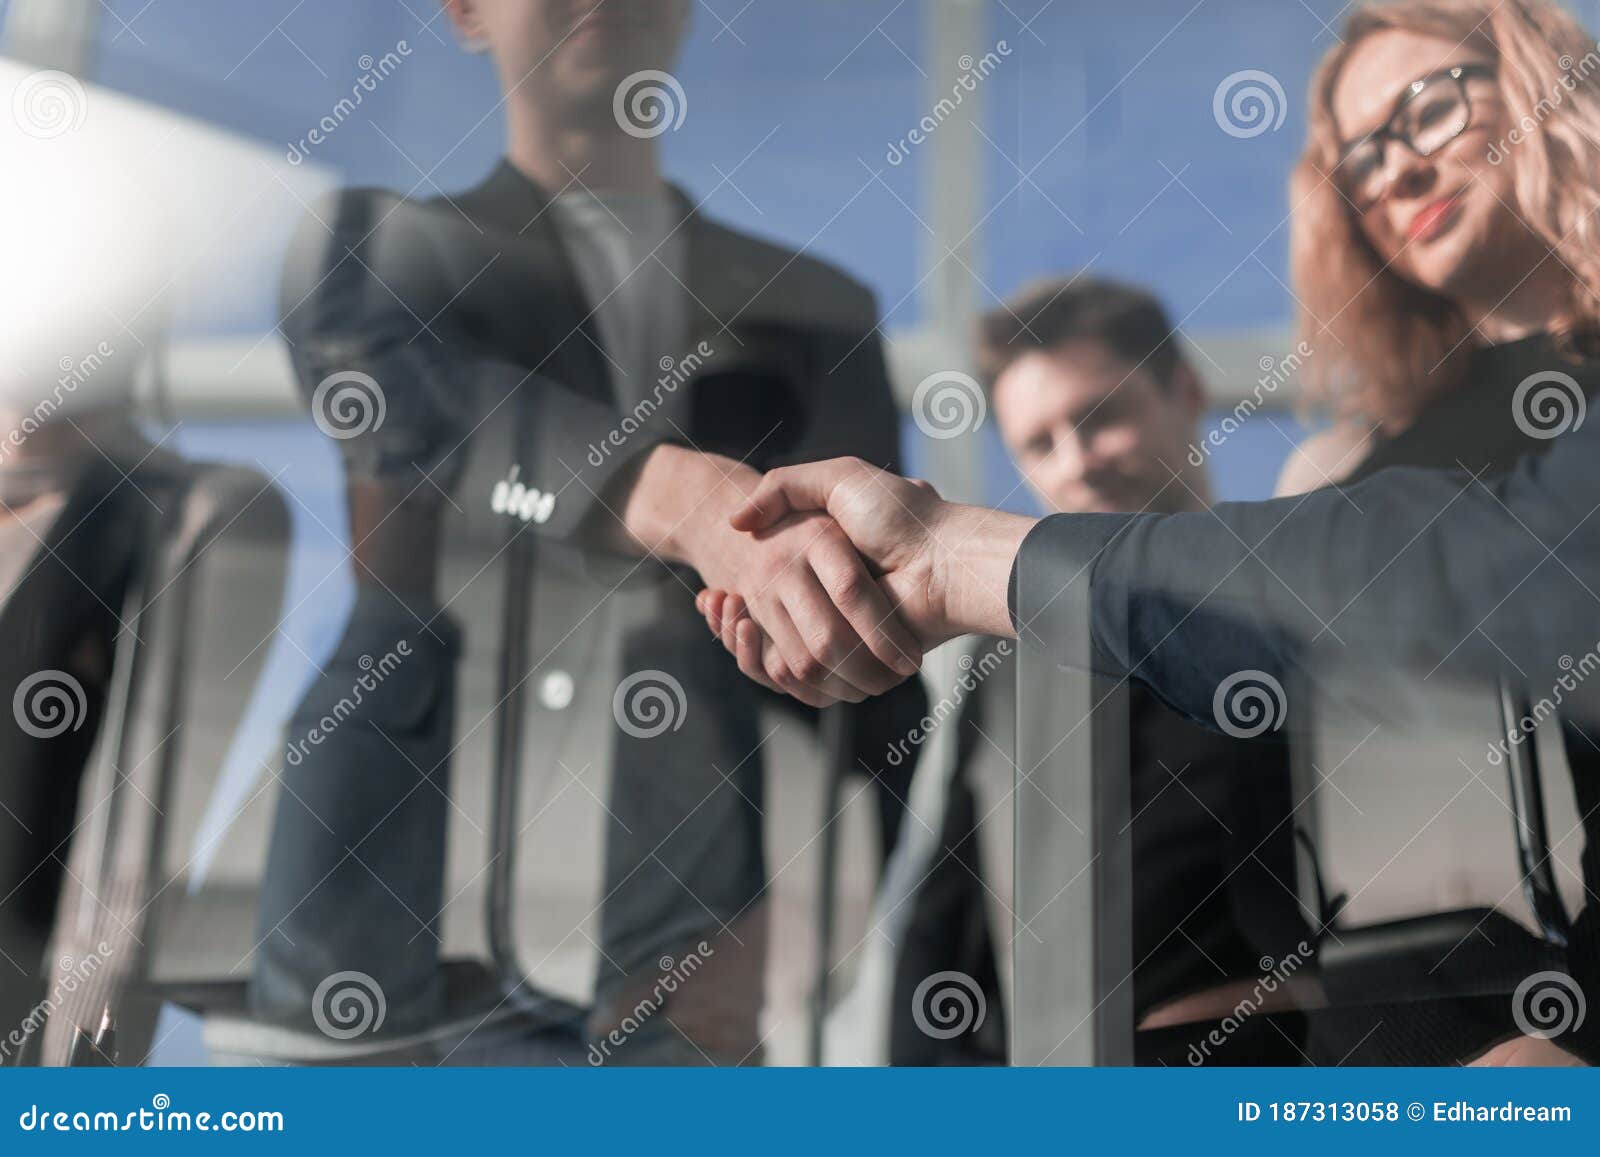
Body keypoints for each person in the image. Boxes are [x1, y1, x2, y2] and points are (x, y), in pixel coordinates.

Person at [703, 0, 1600, 1065]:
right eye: (1355, 158)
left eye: (1426, 109)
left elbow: (1463, 577)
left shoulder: (1339, 529)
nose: (1392, 173)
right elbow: (937, 926)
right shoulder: (1352, 477)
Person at [251, 0, 927, 1065]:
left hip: (704, 900)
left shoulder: (818, 307)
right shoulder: (376, 247)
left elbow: (866, 658)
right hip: (405, 901)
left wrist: (837, 910)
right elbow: (417, 413)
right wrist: (687, 503)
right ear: (466, 13)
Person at [879, 278, 1309, 1065]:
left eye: (1100, 417)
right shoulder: (1008, 660)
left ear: (1185, 390)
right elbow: (944, 918)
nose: (1076, 464)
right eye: (1039, 444)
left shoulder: (1300, 601)